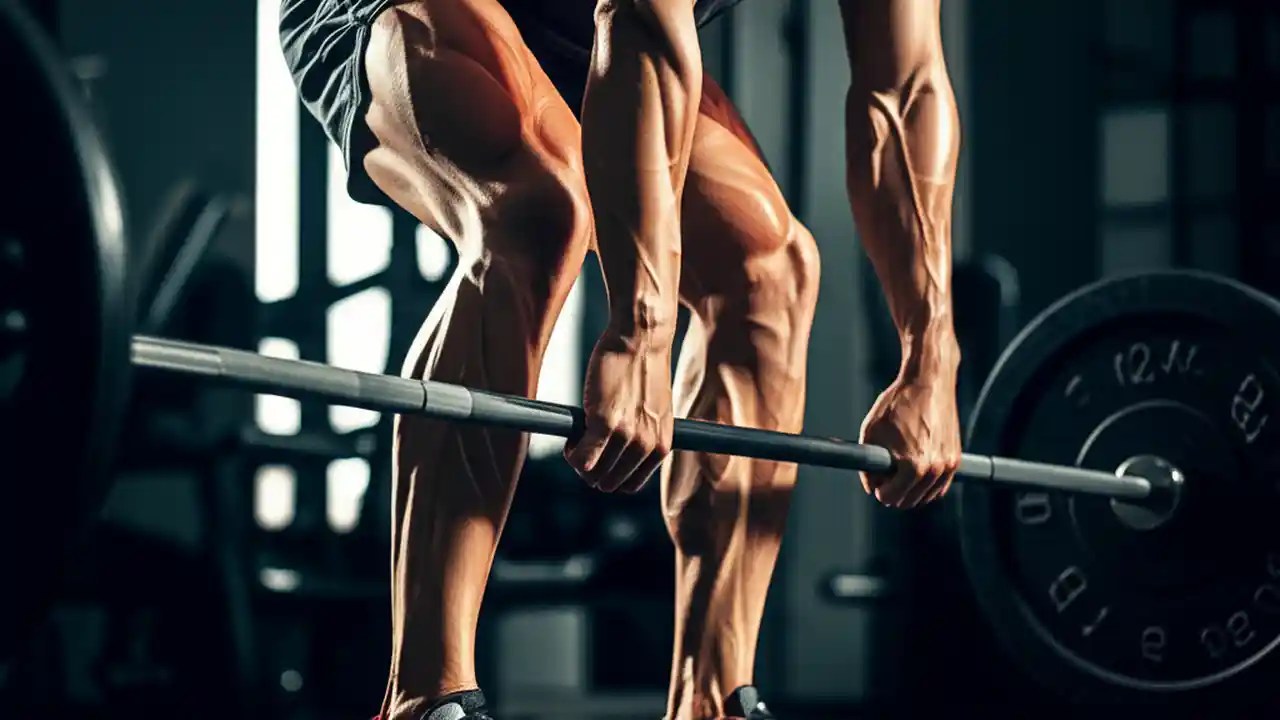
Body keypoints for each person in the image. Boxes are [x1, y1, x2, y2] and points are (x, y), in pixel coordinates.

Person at [280, 0, 962, 718]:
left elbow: (905, 88)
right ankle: (426, 693)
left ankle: (709, 698)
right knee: (540, 208)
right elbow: (644, 24)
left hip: (578, 30)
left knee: (773, 271)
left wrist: (931, 358)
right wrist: (641, 327)